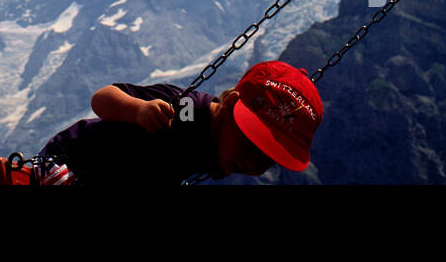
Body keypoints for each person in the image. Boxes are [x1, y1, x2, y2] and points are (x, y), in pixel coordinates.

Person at [34, 61, 324, 186]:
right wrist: (139, 110)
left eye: (268, 159)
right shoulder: (183, 110)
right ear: (231, 107)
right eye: (251, 142)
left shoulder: (220, 153)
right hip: (69, 160)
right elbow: (102, 98)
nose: (253, 163)